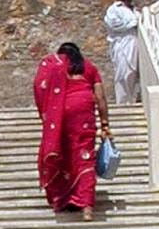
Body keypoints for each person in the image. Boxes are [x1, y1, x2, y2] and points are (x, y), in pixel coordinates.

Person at [34, 41, 111, 219]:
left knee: (63, 154)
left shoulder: (55, 68)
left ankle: (62, 200)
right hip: (84, 114)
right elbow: (100, 98)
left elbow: (40, 86)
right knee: (85, 157)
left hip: (61, 114)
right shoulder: (89, 67)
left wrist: (46, 117)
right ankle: (87, 208)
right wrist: (105, 124)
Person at [104, 0, 141, 104]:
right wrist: (133, 23)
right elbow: (115, 25)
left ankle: (132, 100)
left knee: (133, 73)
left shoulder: (134, 10)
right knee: (122, 73)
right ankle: (122, 102)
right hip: (122, 44)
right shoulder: (114, 9)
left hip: (134, 43)